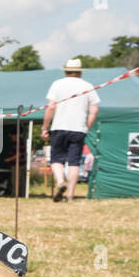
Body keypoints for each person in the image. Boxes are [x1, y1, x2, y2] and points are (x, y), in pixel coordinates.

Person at [42, 57, 99, 203]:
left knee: (56, 160)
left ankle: (61, 182)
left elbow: (51, 106)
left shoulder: (57, 84)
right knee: (74, 163)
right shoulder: (88, 85)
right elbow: (94, 110)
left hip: (59, 127)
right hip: (78, 128)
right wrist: (86, 127)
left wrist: (45, 127)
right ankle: (70, 196)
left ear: (66, 71)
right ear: (80, 72)